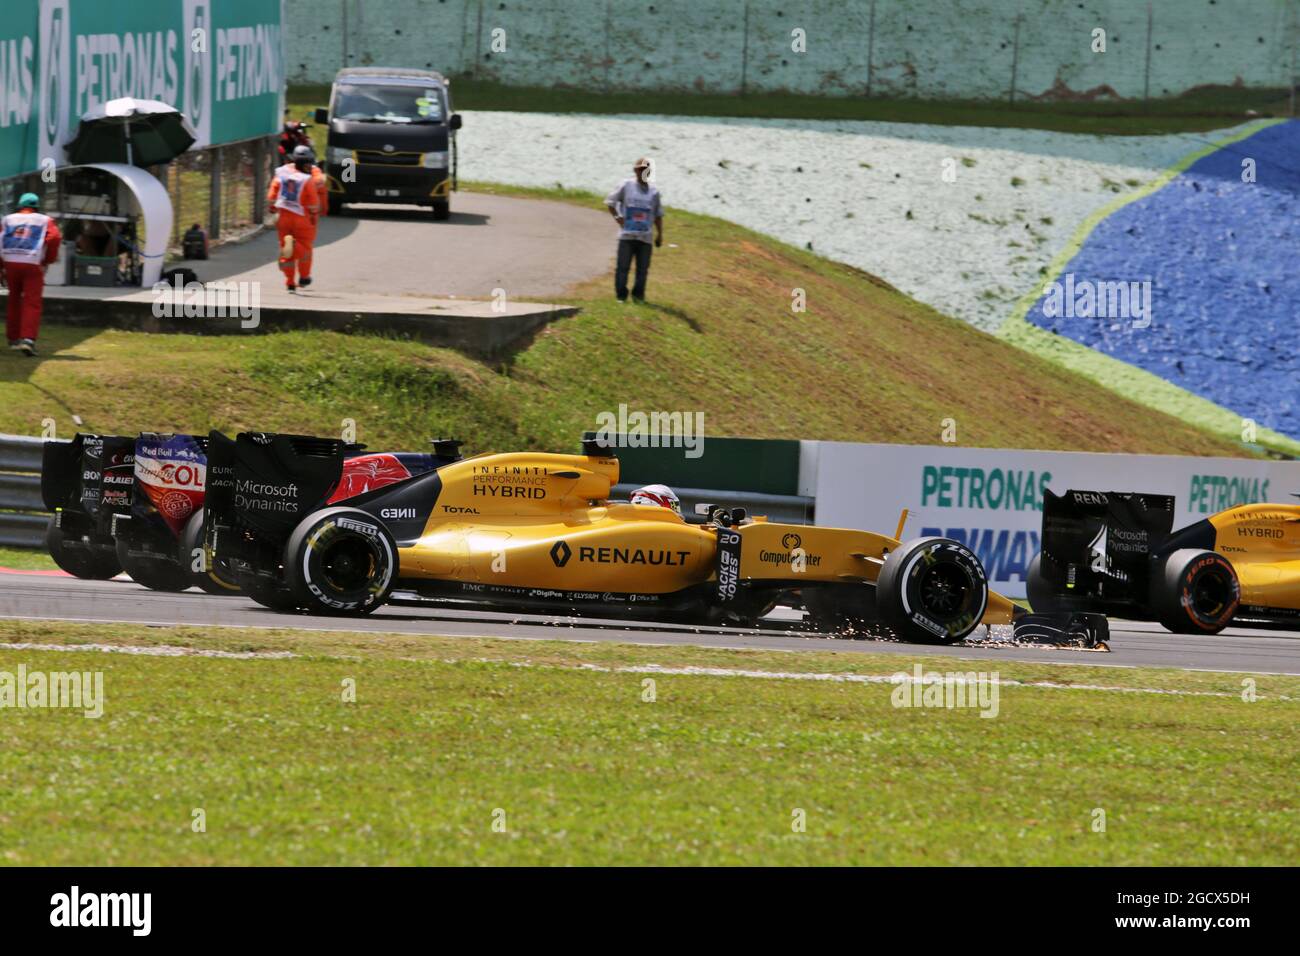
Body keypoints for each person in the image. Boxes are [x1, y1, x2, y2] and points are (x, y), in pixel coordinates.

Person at [1, 192, 62, 356]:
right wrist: (48, 259)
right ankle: (27, 339)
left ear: (20, 206)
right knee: (32, 302)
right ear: (36, 207)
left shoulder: (7, 219)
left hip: (10, 262)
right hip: (33, 263)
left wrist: (1, 267)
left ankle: (13, 339)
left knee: (14, 299)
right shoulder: (44, 220)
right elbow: (55, 237)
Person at [604, 157, 663, 303]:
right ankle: (621, 296)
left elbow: (658, 215)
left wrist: (660, 234)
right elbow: (610, 202)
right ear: (635, 170)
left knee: (642, 270)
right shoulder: (626, 185)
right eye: (641, 169)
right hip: (627, 236)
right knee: (622, 267)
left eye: (647, 169)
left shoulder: (654, 192)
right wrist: (618, 218)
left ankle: (638, 296)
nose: (643, 171)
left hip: (645, 237)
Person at [267, 145, 320, 291]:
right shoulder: (307, 180)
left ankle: (290, 281)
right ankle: (304, 277)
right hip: (302, 219)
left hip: (283, 217)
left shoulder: (281, 174)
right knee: (305, 250)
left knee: (286, 251)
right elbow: (314, 204)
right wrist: (314, 215)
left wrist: (272, 207)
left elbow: (271, 196)